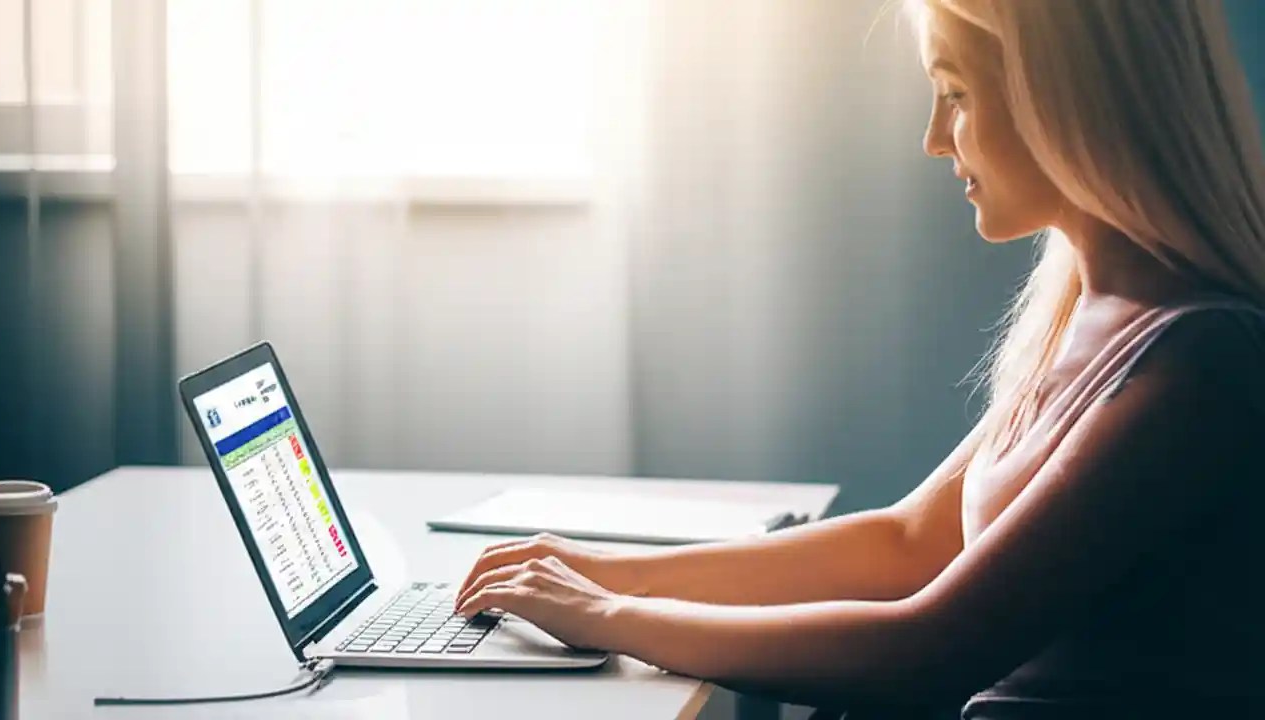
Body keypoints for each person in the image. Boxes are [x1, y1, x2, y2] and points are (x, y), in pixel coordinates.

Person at [454, 1, 1265, 716]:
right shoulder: (1082, 306)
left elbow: (925, 650)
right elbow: (908, 542)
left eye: (955, 93)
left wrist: (604, 618)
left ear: (1066, 99)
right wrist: (605, 573)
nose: (933, 138)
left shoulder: (1199, 361)